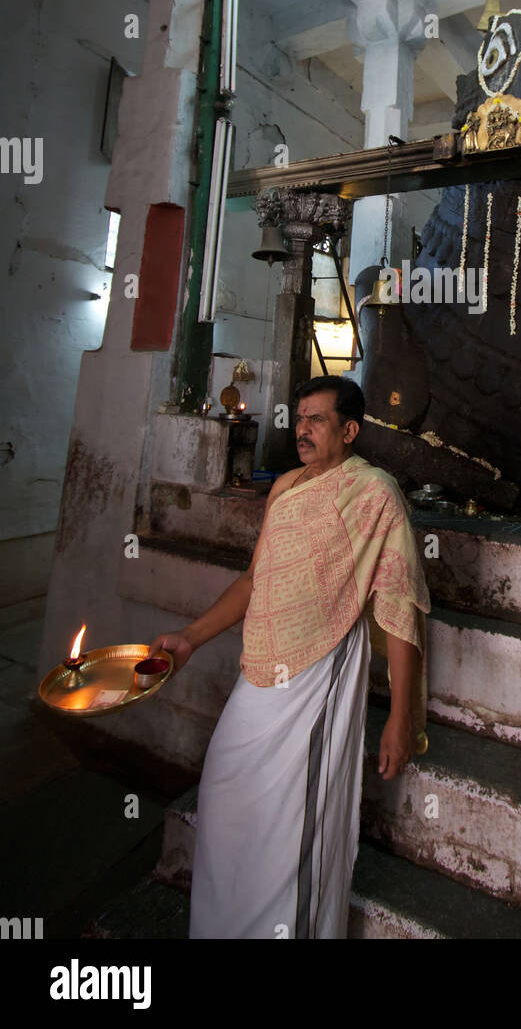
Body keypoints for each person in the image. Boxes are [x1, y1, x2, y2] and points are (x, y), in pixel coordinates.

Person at [149, 375, 431, 939]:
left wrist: (399, 718)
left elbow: (400, 610)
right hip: (261, 668)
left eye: (317, 420)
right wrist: (191, 637)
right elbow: (254, 580)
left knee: (294, 827)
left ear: (349, 430)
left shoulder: (375, 495)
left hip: (316, 678)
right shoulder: (285, 489)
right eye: (299, 419)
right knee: (224, 793)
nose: (302, 430)